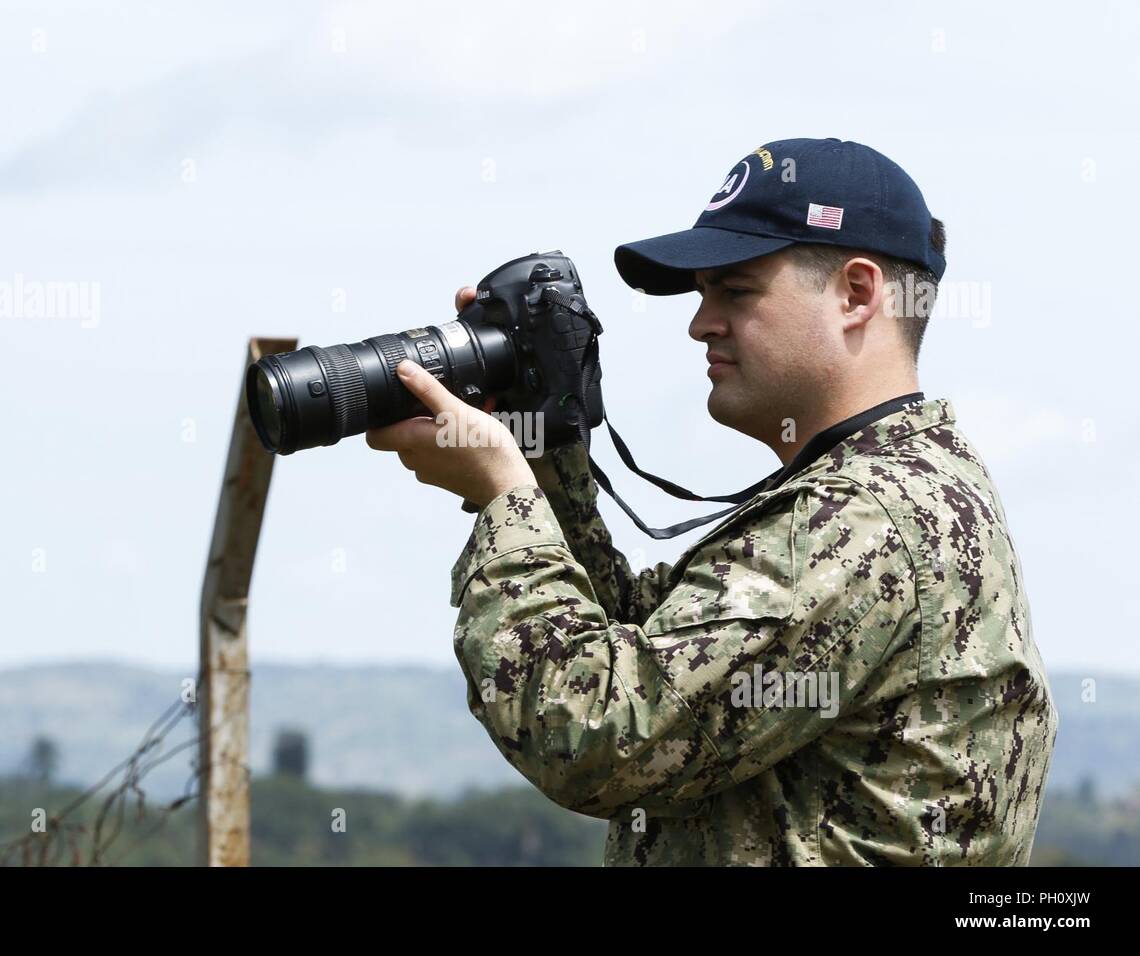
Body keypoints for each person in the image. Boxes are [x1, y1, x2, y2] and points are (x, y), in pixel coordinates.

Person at [366, 138, 1057, 866]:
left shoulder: (861, 520)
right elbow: (657, 650)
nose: (701, 324)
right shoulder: (900, 486)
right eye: (702, 295)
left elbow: (597, 731)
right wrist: (545, 448)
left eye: (737, 291)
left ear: (857, 293)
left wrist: (505, 496)